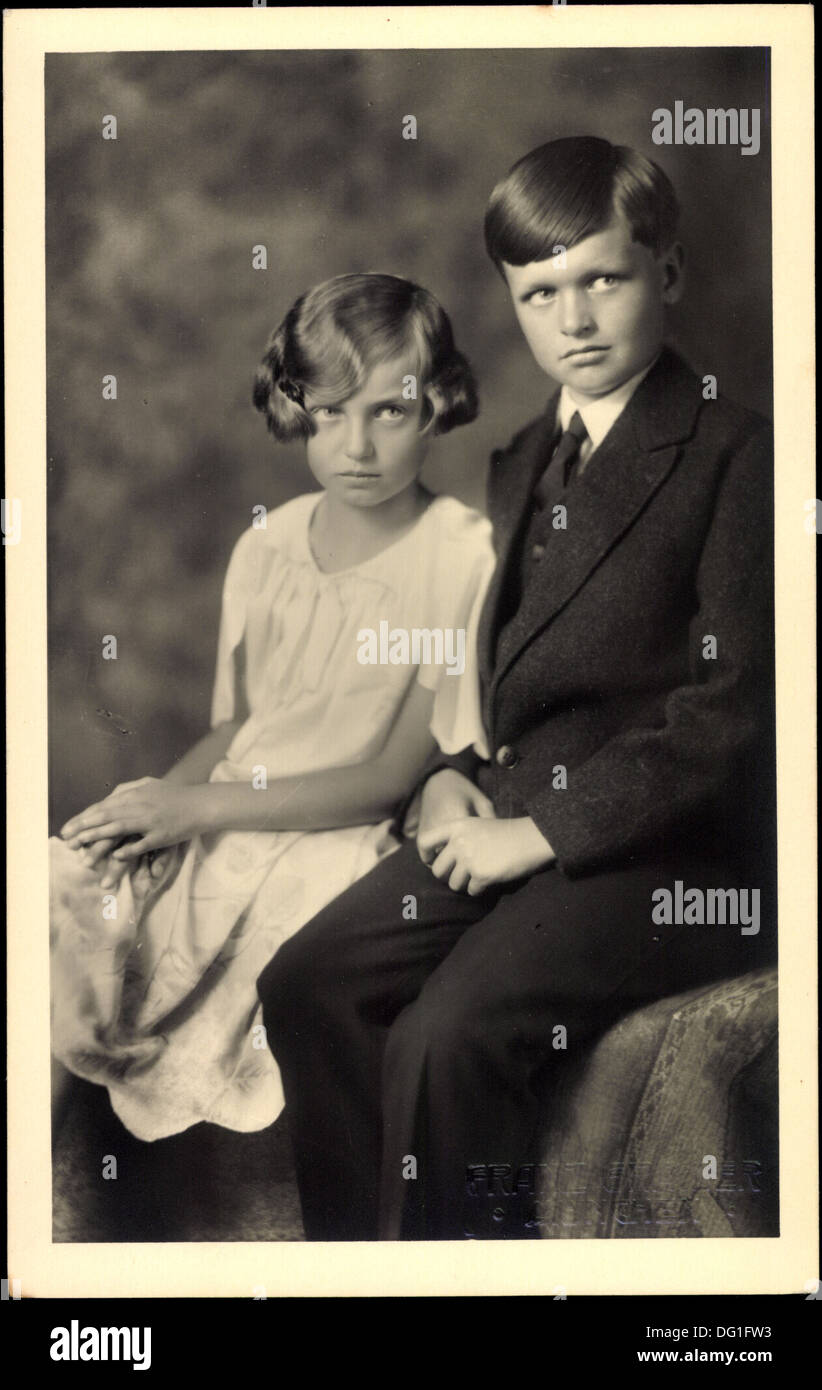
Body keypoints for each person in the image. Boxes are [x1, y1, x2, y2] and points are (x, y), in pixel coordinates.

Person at [257, 137, 777, 1241]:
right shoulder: (521, 459)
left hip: (665, 856)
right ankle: (366, 1278)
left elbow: (736, 714)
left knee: (445, 1038)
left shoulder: (740, 455)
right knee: (308, 982)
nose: (574, 320)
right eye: (541, 293)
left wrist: (541, 830)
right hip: (516, 816)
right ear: (512, 300)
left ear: (668, 276)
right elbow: (507, 677)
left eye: (605, 279)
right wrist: (450, 778)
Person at [49, 272, 495, 1143]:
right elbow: (234, 726)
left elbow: (388, 776)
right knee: (63, 880)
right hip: (224, 807)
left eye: (388, 412)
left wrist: (196, 807)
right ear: (297, 411)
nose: (355, 446)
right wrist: (149, 812)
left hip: (335, 837)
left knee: (274, 947)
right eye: (330, 413)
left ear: (437, 406)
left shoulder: (461, 555)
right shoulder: (267, 545)